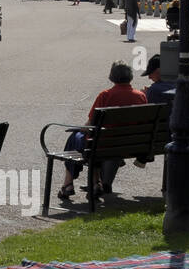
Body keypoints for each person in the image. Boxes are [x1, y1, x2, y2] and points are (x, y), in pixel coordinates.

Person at [56, 61, 147, 201]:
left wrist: (79, 128)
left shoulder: (105, 95)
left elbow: (90, 124)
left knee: (76, 138)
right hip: (129, 145)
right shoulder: (140, 96)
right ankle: (94, 183)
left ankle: (68, 184)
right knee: (92, 141)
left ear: (112, 77)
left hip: (103, 145)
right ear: (130, 77)